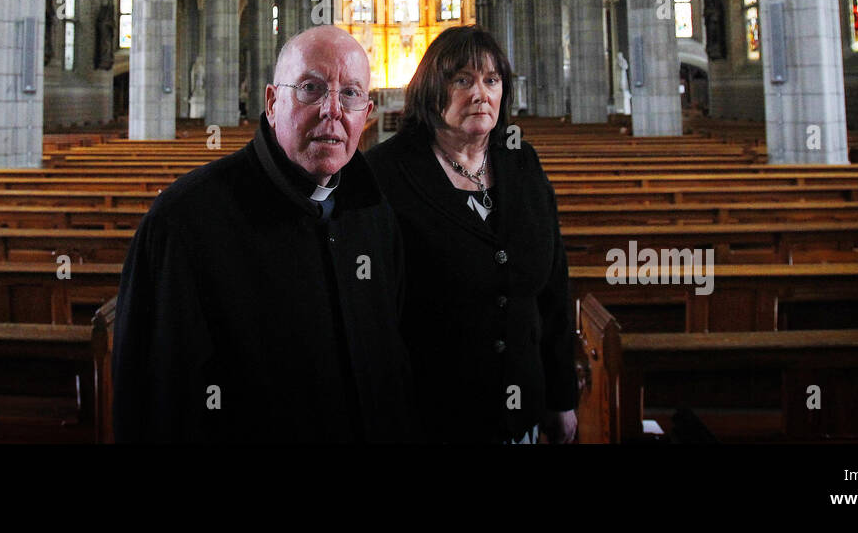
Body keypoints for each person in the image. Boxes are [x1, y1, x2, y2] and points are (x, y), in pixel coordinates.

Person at [112, 25, 414, 442]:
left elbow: (389, 353)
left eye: (351, 93)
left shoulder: (372, 209)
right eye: (311, 88)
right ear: (272, 103)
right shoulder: (185, 220)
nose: (333, 110)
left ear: (367, 110)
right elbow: (154, 397)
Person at [366, 25, 578, 444]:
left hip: (523, 411)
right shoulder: (385, 172)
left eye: (492, 80)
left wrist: (561, 395)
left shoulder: (522, 163)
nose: (481, 93)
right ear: (432, 90)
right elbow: (371, 310)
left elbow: (553, 288)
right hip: (429, 415)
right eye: (462, 79)